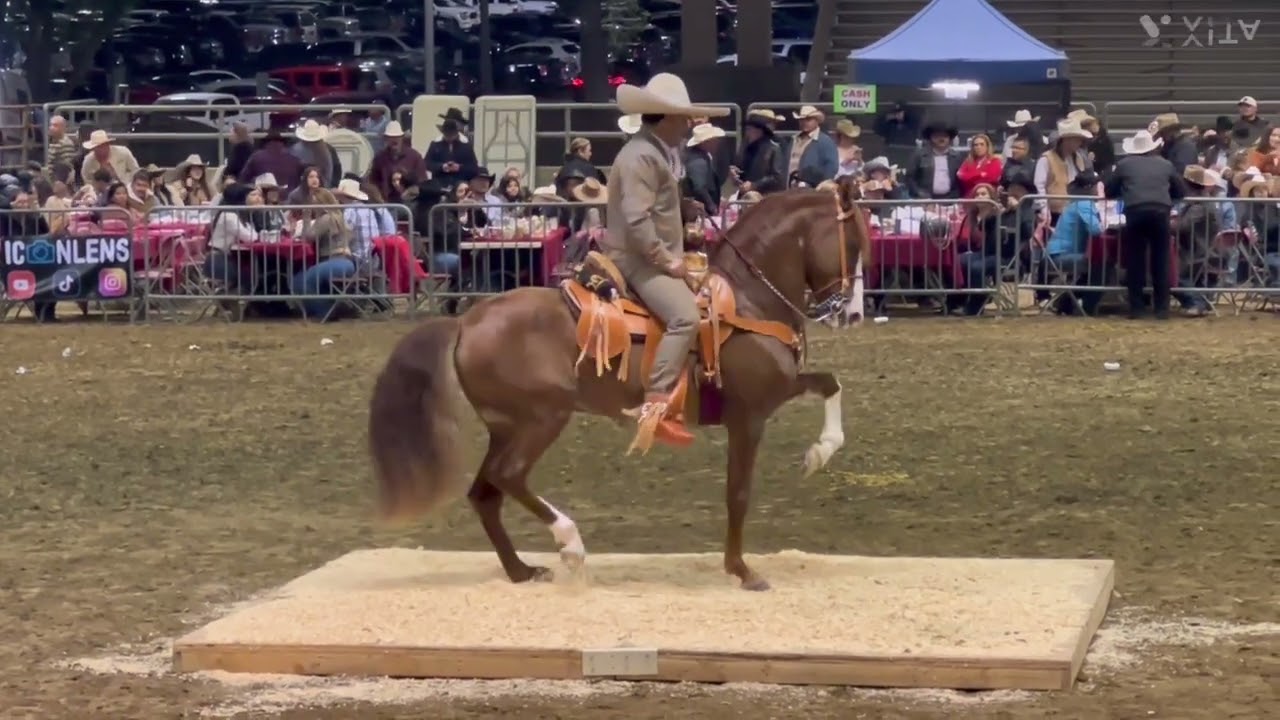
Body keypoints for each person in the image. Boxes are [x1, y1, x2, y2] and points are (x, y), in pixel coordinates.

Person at [603, 73, 729, 448]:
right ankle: (655, 402)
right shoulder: (643, 156)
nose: (689, 124)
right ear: (668, 118)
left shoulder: (653, 151)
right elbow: (636, 219)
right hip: (637, 259)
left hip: (649, 253)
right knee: (684, 317)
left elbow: (650, 208)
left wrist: (682, 206)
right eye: (684, 117)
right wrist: (666, 261)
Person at [1104, 130, 1187, 319]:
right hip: (1160, 211)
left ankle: (1137, 308)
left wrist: (1126, 191)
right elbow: (1180, 191)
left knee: (1136, 260)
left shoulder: (1124, 165)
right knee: (1161, 260)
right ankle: (1162, 308)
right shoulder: (1165, 164)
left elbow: (1110, 190)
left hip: (1135, 211)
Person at [905, 122, 961, 199]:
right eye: (937, 136)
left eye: (945, 136)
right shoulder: (920, 155)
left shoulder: (956, 157)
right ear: (931, 138)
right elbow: (910, 178)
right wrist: (920, 194)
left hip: (950, 200)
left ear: (949, 138)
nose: (941, 139)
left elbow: (960, 181)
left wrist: (955, 195)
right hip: (924, 200)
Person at [787, 105, 838, 187]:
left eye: (808, 119)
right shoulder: (793, 139)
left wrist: (821, 186)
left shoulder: (825, 141)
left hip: (812, 187)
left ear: (816, 121)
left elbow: (831, 168)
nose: (804, 122)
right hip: (790, 186)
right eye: (801, 120)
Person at [682, 122, 725, 216]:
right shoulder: (698, 161)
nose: (717, 143)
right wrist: (711, 206)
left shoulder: (703, 157)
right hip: (700, 211)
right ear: (705, 142)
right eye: (714, 140)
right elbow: (699, 187)